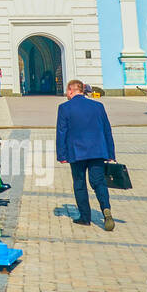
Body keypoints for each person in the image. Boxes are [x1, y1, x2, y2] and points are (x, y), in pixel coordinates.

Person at [56, 77, 117, 231]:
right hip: (97, 151)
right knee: (99, 182)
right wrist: (110, 153)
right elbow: (107, 130)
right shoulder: (98, 106)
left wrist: (61, 155)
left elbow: (62, 133)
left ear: (71, 90)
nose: (66, 94)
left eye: (67, 91)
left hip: (76, 152)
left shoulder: (65, 108)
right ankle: (106, 210)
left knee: (80, 183)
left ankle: (85, 217)